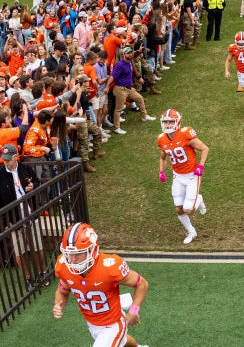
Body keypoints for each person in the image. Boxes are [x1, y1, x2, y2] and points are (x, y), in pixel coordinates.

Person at [53, 223, 150, 347]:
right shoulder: (63, 266)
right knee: (122, 341)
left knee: (113, 338)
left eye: (78, 253)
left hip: (113, 323)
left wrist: (134, 310)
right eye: (68, 253)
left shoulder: (109, 267)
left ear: (91, 250)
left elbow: (142, 284)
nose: (72, 259)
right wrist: (58, 304)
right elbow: (62, 290)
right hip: (92, 323)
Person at [0, 144, 46, 291]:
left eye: (8, 159)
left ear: (15, 157)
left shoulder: (25, 168)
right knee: (20, 251)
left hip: (31, 214)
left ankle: (42, 273)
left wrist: (34, 186)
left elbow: (37, 181)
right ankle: (28, 279)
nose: (5, 162)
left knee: (38, 246)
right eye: (4, 159)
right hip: (14, 218)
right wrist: (5, 220)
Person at [157, 109, 210, 244]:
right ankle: (192, 232)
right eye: (166, 121)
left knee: (188, 209)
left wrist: (201, 165)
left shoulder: (186, 134)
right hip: (178, 176)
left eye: (170, 121)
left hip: (192, 174)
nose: (168, 124)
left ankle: (199, 199)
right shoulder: (161, 139)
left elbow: (204, 148)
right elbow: (163, 157)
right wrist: (161, 171)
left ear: (177, 122)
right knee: (179, 209)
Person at [110, 47, 157, 135]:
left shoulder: (129, 61)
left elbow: (134, 68)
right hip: (120, 89)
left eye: (130, 53)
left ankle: (144, 116)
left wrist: (139, 78)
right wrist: (106, 87)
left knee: (139, 98)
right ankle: (117, 128)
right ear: (124, 54)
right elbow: (113, 76)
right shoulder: (119, 65)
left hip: (129, 88)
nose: (130, 54)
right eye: (128, 53)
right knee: (118, 109)